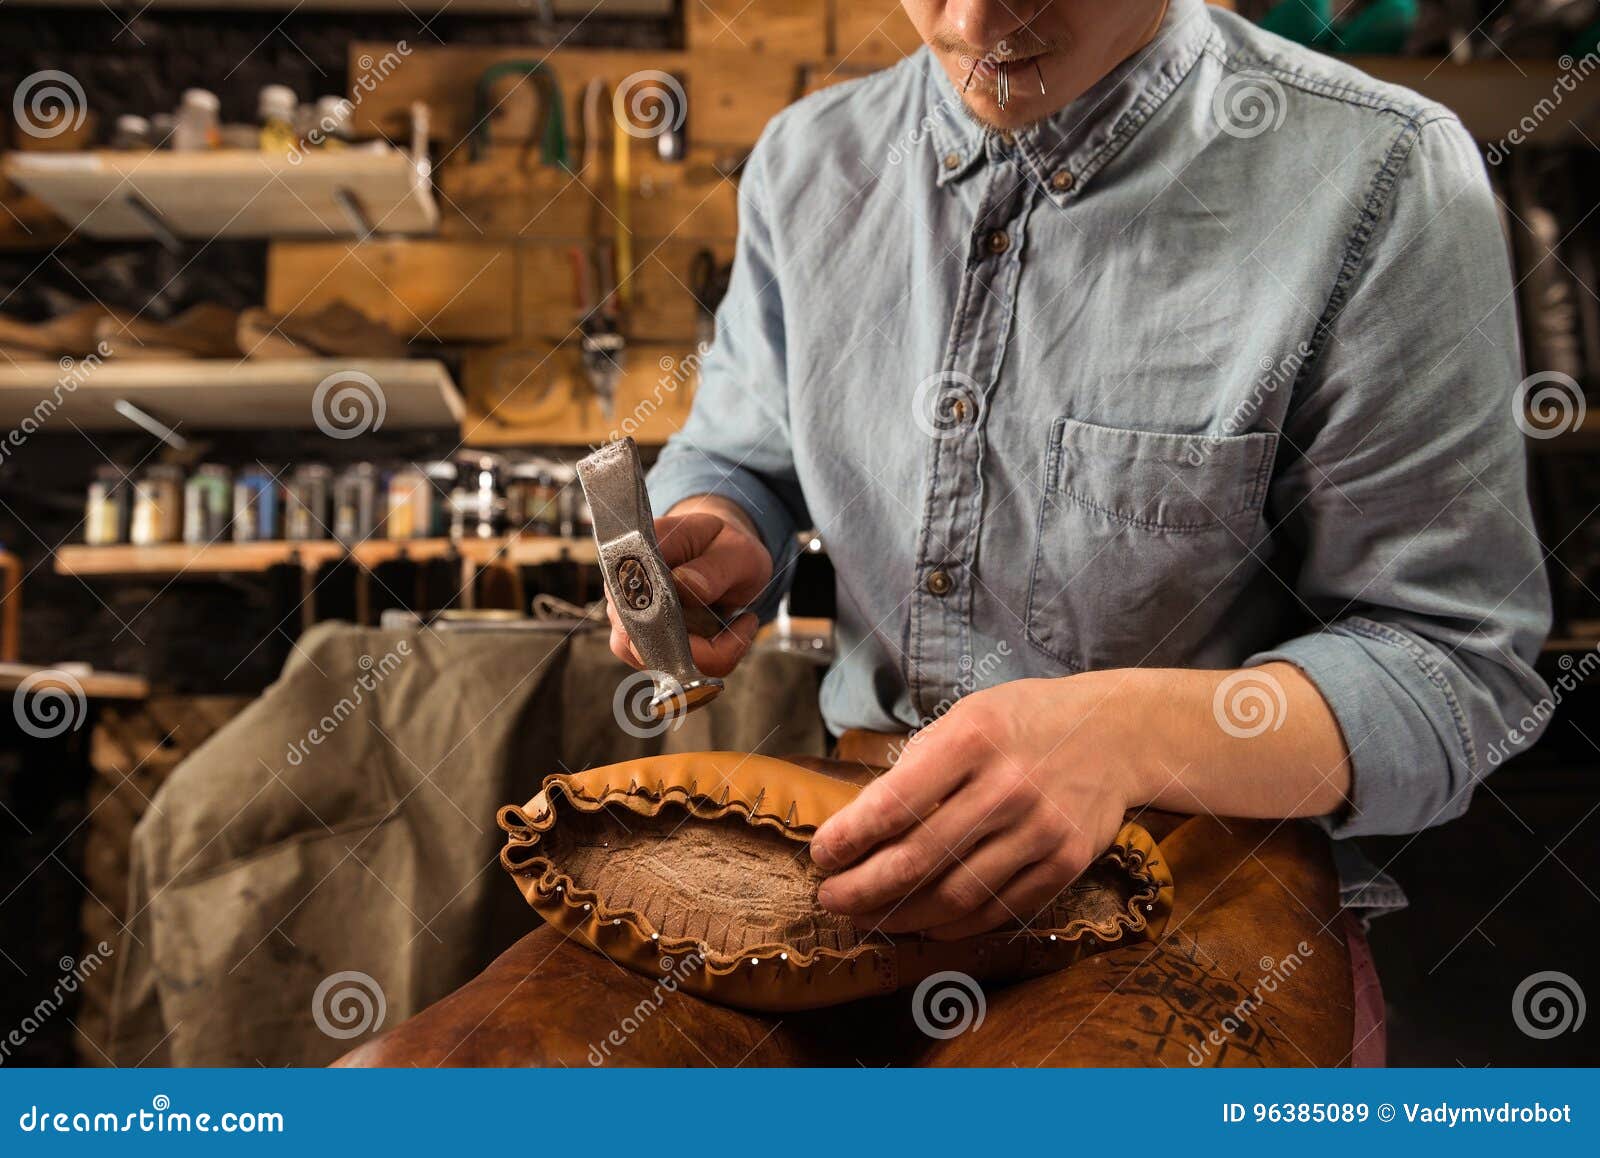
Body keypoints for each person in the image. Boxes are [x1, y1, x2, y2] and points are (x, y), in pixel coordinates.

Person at [618, 0, 1552, 941]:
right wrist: (722, 522)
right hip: (857, 840)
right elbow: (742, 454)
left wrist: (1126, 737)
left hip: (1197, 886)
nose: (980, 21)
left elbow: (1457, 673)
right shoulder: (804, 162)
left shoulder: (1382, 174)